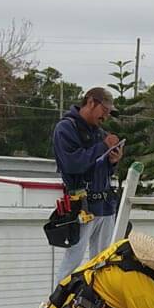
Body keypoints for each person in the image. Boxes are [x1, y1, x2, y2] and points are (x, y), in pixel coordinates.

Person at [52, 87, 124, 282]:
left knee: (103, 261)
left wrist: (113, 161)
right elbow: (72, 164)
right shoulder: (66, 129)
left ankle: (96, 304)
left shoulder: (100, 133)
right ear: (91, 102)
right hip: (81, 205)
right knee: (72, 261)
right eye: (105, 110)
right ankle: (57, 305)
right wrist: (102, 147)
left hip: (105, 205)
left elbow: (101, 170)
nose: (106, 116)